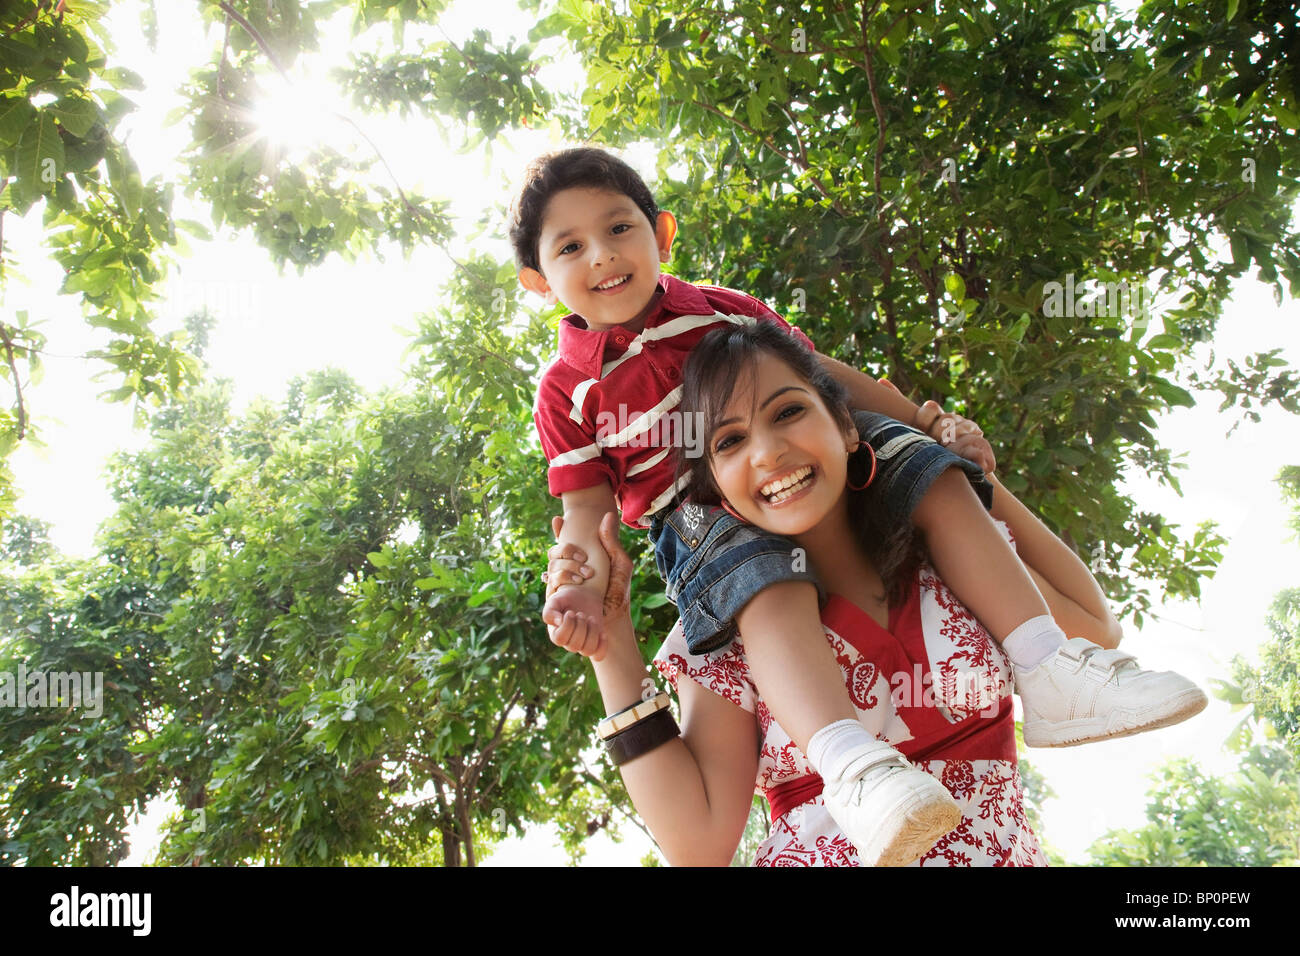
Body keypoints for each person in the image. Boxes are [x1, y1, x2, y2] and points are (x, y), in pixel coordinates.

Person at [513, 147, 1206, 865]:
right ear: (540, 279)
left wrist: (935, 435)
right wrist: (592, 602)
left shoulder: (725, 315)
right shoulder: (719, 628)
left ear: (662, 234)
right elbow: (585, 509)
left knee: (929, 468)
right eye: (570, 247)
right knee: (759, 577)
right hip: (695, 522)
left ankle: (1052, 674)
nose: (601, 255)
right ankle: (851, 766)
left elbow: (830, 377)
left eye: (619, 229)